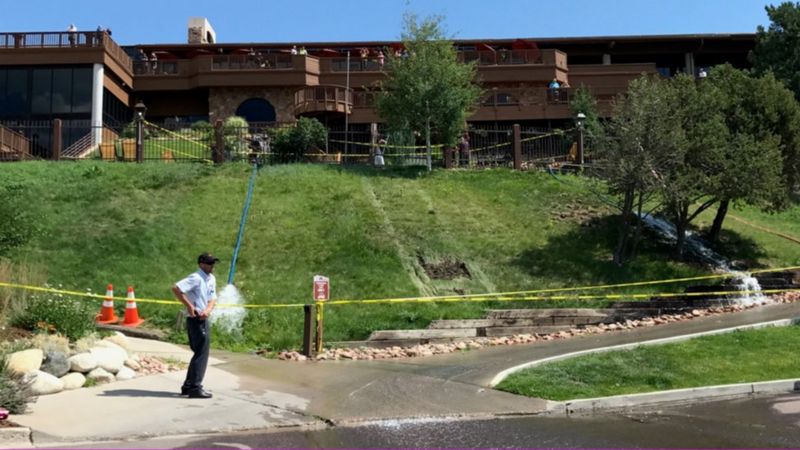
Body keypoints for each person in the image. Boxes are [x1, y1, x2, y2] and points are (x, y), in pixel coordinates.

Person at [172, 252, 219, 399]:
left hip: (203, 316)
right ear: (201, 264)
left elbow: (212, 298)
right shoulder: (196, 278)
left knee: (200, 351)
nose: (212, 266)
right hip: (195, 318)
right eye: (209, 263)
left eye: (213, 263)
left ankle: (188, 385)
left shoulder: (211, 279)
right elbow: (176, 288)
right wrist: (189, 306)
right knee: (201, 353)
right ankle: (195, 387)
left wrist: (208, 310)